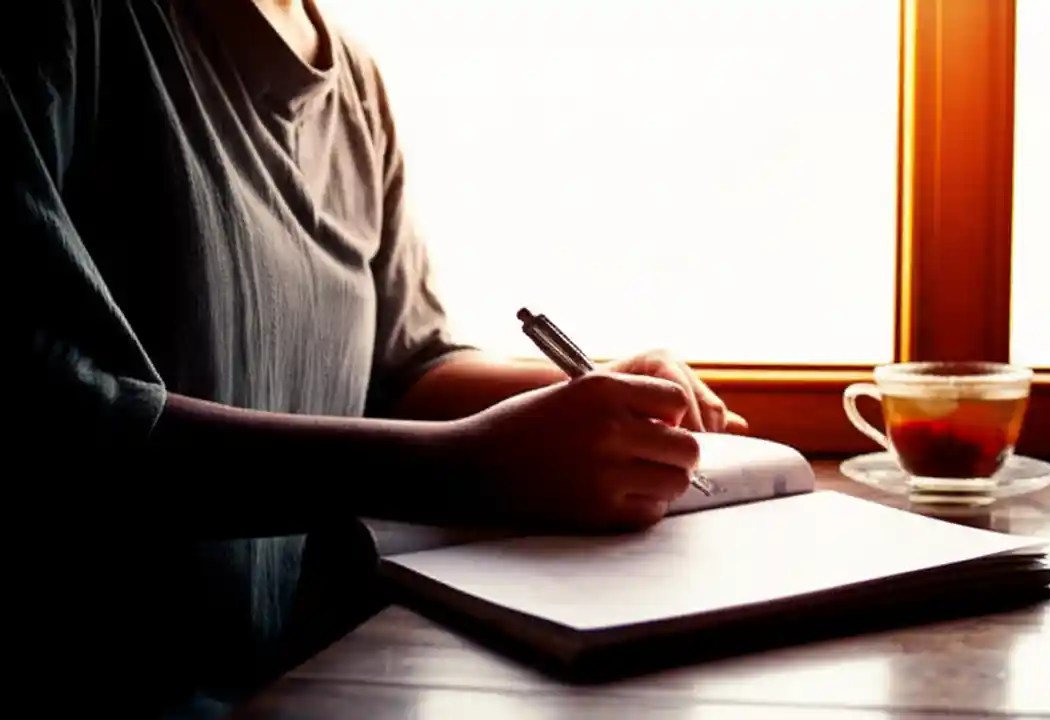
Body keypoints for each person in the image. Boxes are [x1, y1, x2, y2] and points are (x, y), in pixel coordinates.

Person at [7, 0, 746, 716]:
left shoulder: (353, 83)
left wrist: (608, 394)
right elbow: (51, 426)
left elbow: (404, 369)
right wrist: (469, 469)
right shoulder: (62, 26)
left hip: (298, 675)